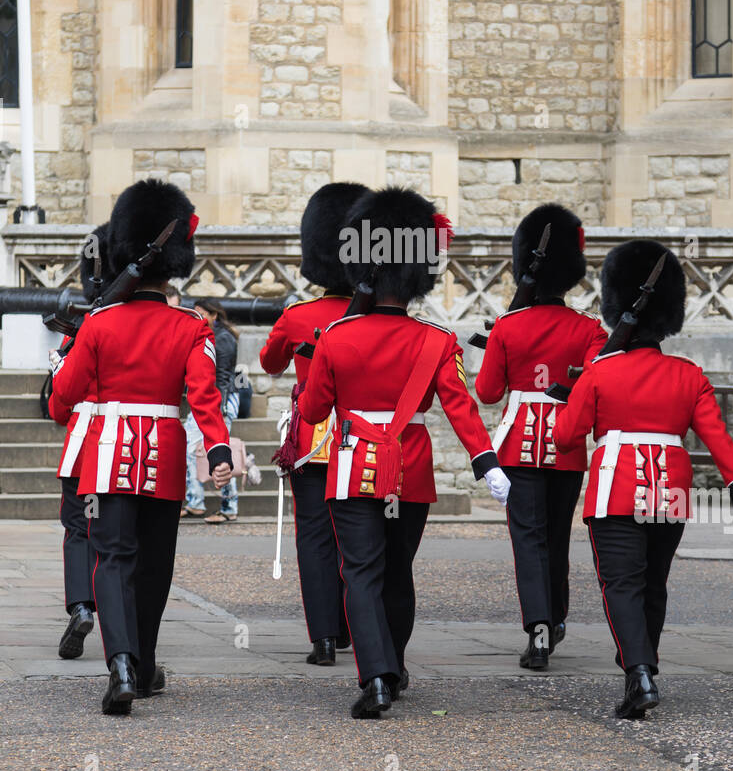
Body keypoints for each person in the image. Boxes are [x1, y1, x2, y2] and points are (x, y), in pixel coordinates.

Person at [299, 186, 510, 719]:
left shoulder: (336, 337)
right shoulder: (437, 341)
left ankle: (375, 678)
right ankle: (392, 661)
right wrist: (486, 462)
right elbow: (461, 408)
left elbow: (313, 412)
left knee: (362, 571)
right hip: (408, 469)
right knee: (398, 571)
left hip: (350, 467)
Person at [552, 239, 733, 719]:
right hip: (669, 490)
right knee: (654, 583)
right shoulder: (688, 375)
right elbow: (716, 436)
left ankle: (639, 673)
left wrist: (575, 394)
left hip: (615, 489)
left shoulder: (601, 372)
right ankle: (646, 668)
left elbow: (565, 439)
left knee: (621, 583)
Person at [49, 180, 233, 715]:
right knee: (154, 566)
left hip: (106, 460)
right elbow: (205, 397)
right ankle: (144, 664)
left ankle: (123, 665)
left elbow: (62, 403)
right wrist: (218, 453)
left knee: (112, 561)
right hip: (165, 461)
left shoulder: (99, 324)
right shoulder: (191, 327)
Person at [475, 204, 606, 671]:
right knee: (555, 537)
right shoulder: (590, 329)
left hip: (516, 447)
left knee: (527, 540)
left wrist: (502, 351)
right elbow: (594, 383)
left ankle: (539, 630)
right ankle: (557, 616)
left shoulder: (509, 326)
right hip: (566, 448)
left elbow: (488, 393)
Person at [259, 181, 368, 665]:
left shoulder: (298, 315)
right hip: (365, 439)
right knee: (361, 537)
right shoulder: (374, 317)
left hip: (310, 436)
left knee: (315, 537)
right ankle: (355, 625)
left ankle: (324, 637)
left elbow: (269, 363)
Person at [51, 223, 114, 661]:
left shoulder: (82, 329)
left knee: (78, 531)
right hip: (132, 448)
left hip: (82, 447)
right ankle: (126, 629)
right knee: (120, 538)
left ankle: (80, 606)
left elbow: (58, 408)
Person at [183, 297, 240, 523]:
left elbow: (223, 376)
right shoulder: (206, 335)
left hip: (219, 401)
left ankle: (229, 506)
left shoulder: (223, 338)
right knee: (190, 448)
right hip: (209, 399)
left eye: (201, 312)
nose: (197, 316)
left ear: (214, 314)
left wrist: (221, 407)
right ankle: (195, 502)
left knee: (223, 452)